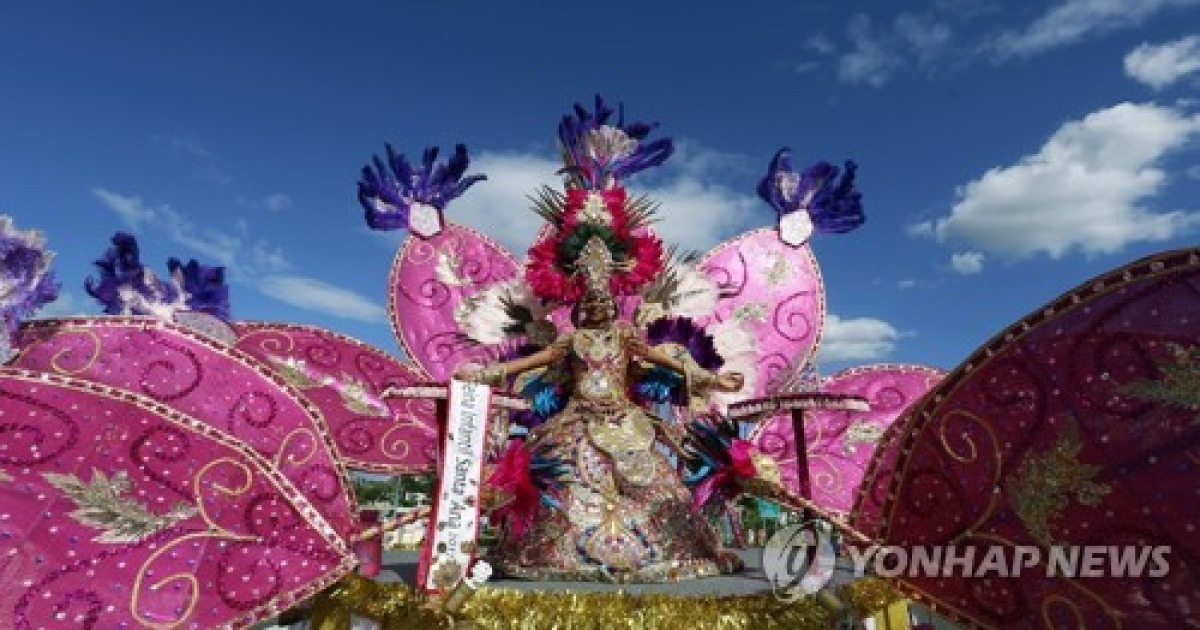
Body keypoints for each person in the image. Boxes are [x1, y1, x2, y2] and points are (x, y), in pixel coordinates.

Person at [455, 245, 746, 582]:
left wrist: (711, 378)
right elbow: (536, 361)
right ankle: (557, 553)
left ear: (612, 306)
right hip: (575, 423)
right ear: (581, 309)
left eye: (603, 301)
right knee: (558, 486)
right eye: (590, 302)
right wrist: (488, 373)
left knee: (657, 486)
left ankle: (660, 548)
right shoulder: (571, 342)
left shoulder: (624, 336)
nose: (597, 306)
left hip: (626, 423)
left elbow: (659, 359)